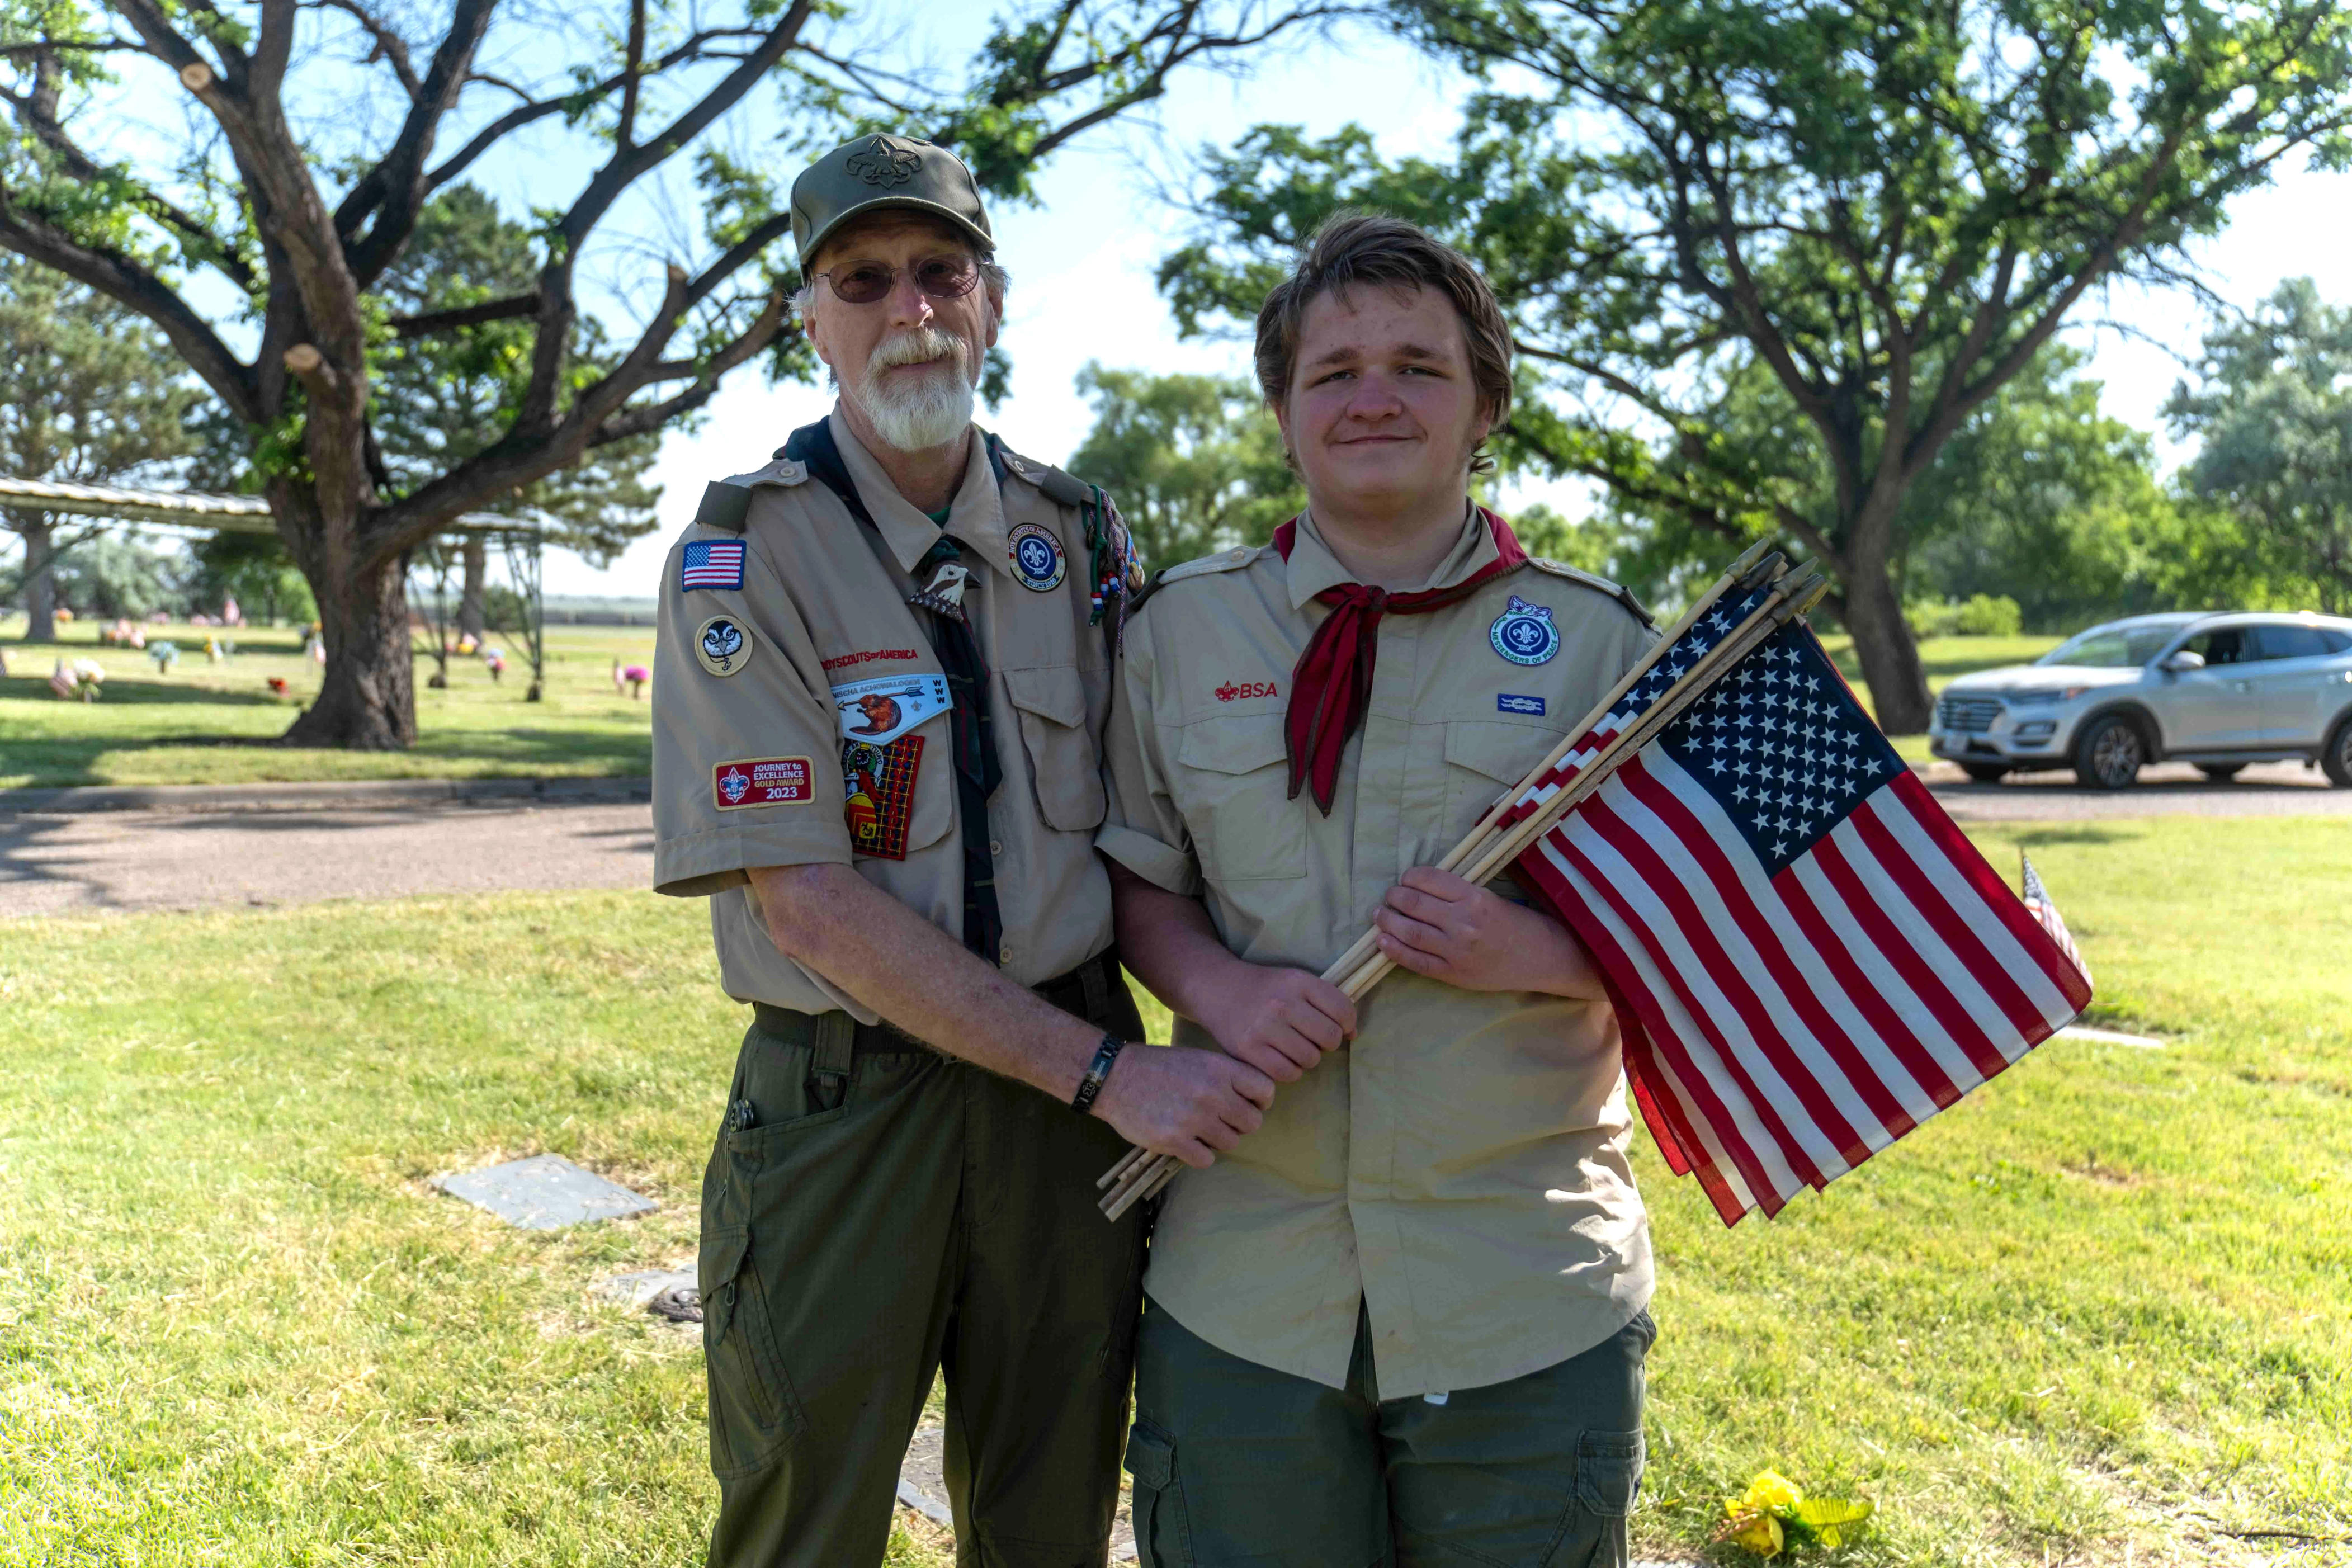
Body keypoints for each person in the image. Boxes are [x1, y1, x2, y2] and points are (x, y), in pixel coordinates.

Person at [649, 132, 1278, 1568]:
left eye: (941, 271)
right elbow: (805, 901)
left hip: (1064, 1132)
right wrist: (1115, 1072)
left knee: (1049, 1520)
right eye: (862, 279)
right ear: (810, 319)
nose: (908, 307)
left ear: (992, 298)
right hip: (849, 1107)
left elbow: (1154, 823)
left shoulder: (1080, 534)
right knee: (803, 1522)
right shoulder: (743, 554)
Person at [1098, 214, 1661, 1568]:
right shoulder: (1178, 632)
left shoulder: (1605, 648)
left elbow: (1707, 937)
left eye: (1419, 364)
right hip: (1245, 1280)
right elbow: (1135, 882)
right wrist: (1222, 991)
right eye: (1333, 369)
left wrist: (1527, 945)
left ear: (1485, 408)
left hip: (1523, 1284)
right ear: (1283, 413)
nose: (1373, 396)